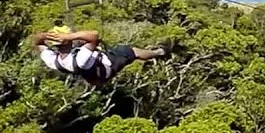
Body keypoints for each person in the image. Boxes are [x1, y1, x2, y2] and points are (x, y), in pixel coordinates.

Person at [30, 26, 168, 86]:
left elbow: (36, 41)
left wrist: (45, 36)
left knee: (117, 50)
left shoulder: (52, 60)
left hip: (95, 74)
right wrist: (68, 36)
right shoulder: (80, 59)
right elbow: (94, 36)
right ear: (68, 41)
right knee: (132, 51)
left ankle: (156, 53)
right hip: (108, 66)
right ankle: (160, 52)